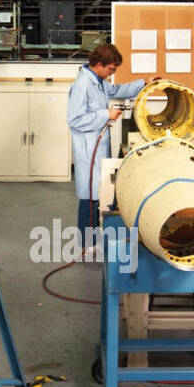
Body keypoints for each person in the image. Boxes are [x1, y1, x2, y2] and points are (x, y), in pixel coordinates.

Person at [68, 43, 157, 258]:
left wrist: (144, 83)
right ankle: (86, 246)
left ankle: (96, 241)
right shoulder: (82, 85)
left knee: (100, 194)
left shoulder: (97, 81)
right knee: (89, 197)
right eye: (111, 69)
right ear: (99, 64)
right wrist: (105, 114)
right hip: (89, 148)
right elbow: (75, 120)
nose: (112, 73)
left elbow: (116, 90)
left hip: (98, 146)